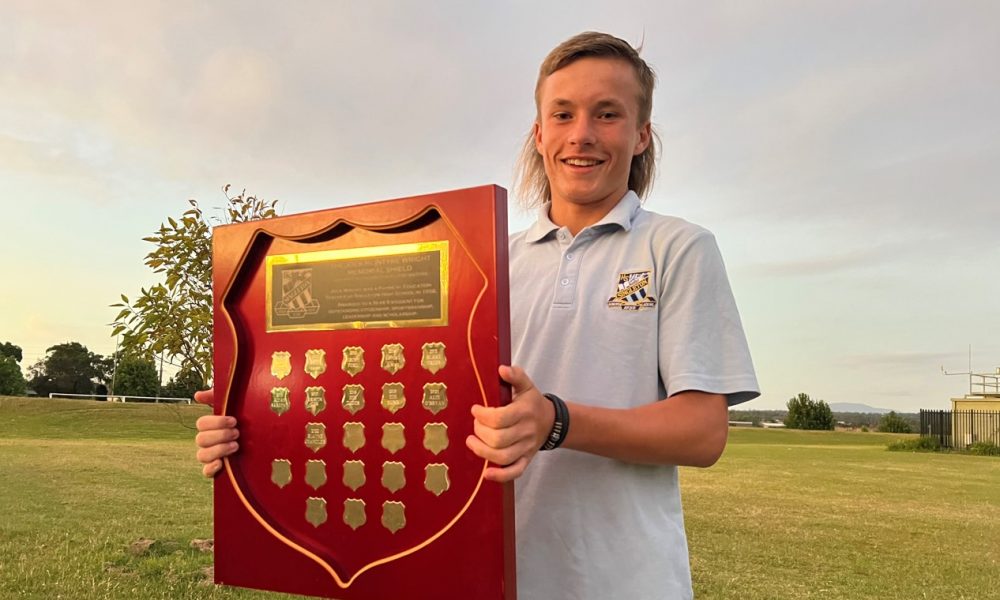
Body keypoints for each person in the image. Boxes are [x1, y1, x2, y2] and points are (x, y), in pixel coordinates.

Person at [196, 31, 758, 600]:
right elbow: (400, 393)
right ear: (539, 134)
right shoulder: (483, 258)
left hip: (622, 580)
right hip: (479, 576)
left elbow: (702, 432)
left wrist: (555, 421)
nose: (581, 134)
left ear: (641, 135)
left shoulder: (678, 247)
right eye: (562, 114)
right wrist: (254, 422)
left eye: (607, 114)